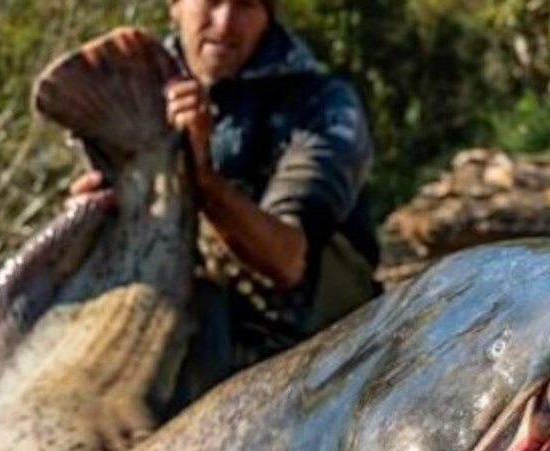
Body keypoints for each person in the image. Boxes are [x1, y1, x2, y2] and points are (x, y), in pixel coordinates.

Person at [73, 0, 379, 408]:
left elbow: (287, 260)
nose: (225, 22)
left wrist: (202, 181)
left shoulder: (322, 103)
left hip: (316, 346)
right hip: (170, 327)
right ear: (175, 6)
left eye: (246, 5)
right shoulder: (131, 97)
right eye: (212, 1)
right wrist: (91, 222)